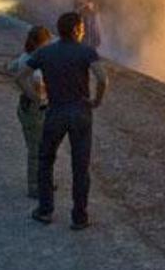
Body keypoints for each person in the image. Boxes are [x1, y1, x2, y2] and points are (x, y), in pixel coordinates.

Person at [16, 12, 108, 230]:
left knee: (45, 160)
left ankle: (45, 210)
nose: (84, 30)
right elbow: (102, 78)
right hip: (81, 113)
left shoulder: (45, 52)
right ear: (76, 30)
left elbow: (19, 77)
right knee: (80, 166)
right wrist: (96, 100)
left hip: (55, 111)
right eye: (82, 28)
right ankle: (79, 216)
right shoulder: (86, 51)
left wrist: (36, 97)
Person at [7, 26, 53, 199]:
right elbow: (20, 77)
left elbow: (11, 68)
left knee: (44, 148)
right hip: (33, 110)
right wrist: (34, 96)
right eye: (48, 42)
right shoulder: (33, 61)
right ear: (41, 43)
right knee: (36, 150)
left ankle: (43, 181)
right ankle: (34, 187)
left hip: (36, 109)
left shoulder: (27, 57)